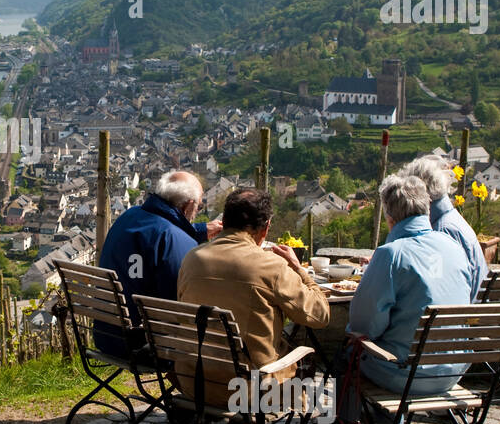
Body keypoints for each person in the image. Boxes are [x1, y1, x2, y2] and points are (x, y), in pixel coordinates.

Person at [174, 188, 330, 407]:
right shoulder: (271, 266)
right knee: (304, 358)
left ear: (224, 220)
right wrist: (297, 268)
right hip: (245, 390)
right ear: (265, 228)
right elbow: (320, 316)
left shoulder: (192, 258)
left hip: (192, 380)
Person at [348, 174, 475, 397]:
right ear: (427, 207)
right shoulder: (453, 247)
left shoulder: (391, 254)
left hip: (404, 374)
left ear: (389, 216)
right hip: (452, 371)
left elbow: (365, 327)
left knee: (346, 354)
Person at [92, 170, 221, 358]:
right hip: (143, 345)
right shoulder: (175, 240)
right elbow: (180, 300)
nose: (197, 212)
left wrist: (198, 231)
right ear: (189, 205)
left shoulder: (129, 216)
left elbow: (158, 230)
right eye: (199, 207)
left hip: (107, 336)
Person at [399, 155, 487, 302]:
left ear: (421, 193)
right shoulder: (450, 220)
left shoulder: (442, 232)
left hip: (459, 319)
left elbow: (435, 287)